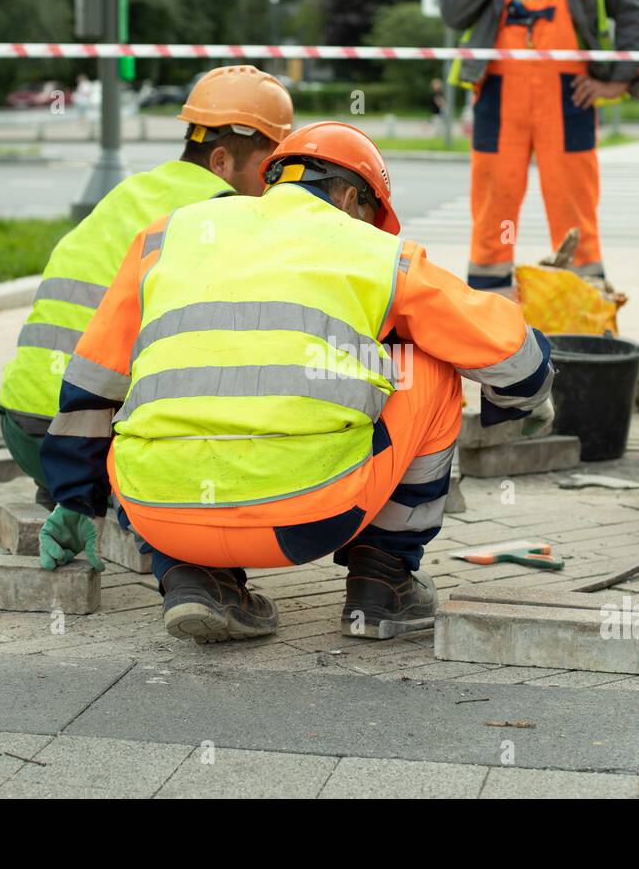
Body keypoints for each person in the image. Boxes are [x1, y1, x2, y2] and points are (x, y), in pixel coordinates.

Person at [37, 122, 555, 644]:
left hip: (156, 513)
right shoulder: (377, 252)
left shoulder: (169, 234)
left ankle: (195, 579)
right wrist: (524, 399)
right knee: (428, 366)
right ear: (353, 199)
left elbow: (93, 383)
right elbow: (509, 352)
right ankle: (383, 582)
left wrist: (76, 496)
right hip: (310, 517)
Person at [0, 65, 294, 507]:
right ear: (221, 161)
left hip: (24, 432)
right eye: (268, 170)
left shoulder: (133, 190)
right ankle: (150, 511)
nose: (272, 186)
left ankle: (76, 493)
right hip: (89, 443)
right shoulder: (218, 216)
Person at [439, 0, 639, 289]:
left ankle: (585, 314)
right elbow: (453, 12)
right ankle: (487, 312)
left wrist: (617, 82)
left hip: (568, 99)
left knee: (573, 212)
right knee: (493, 210)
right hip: (497, 98)